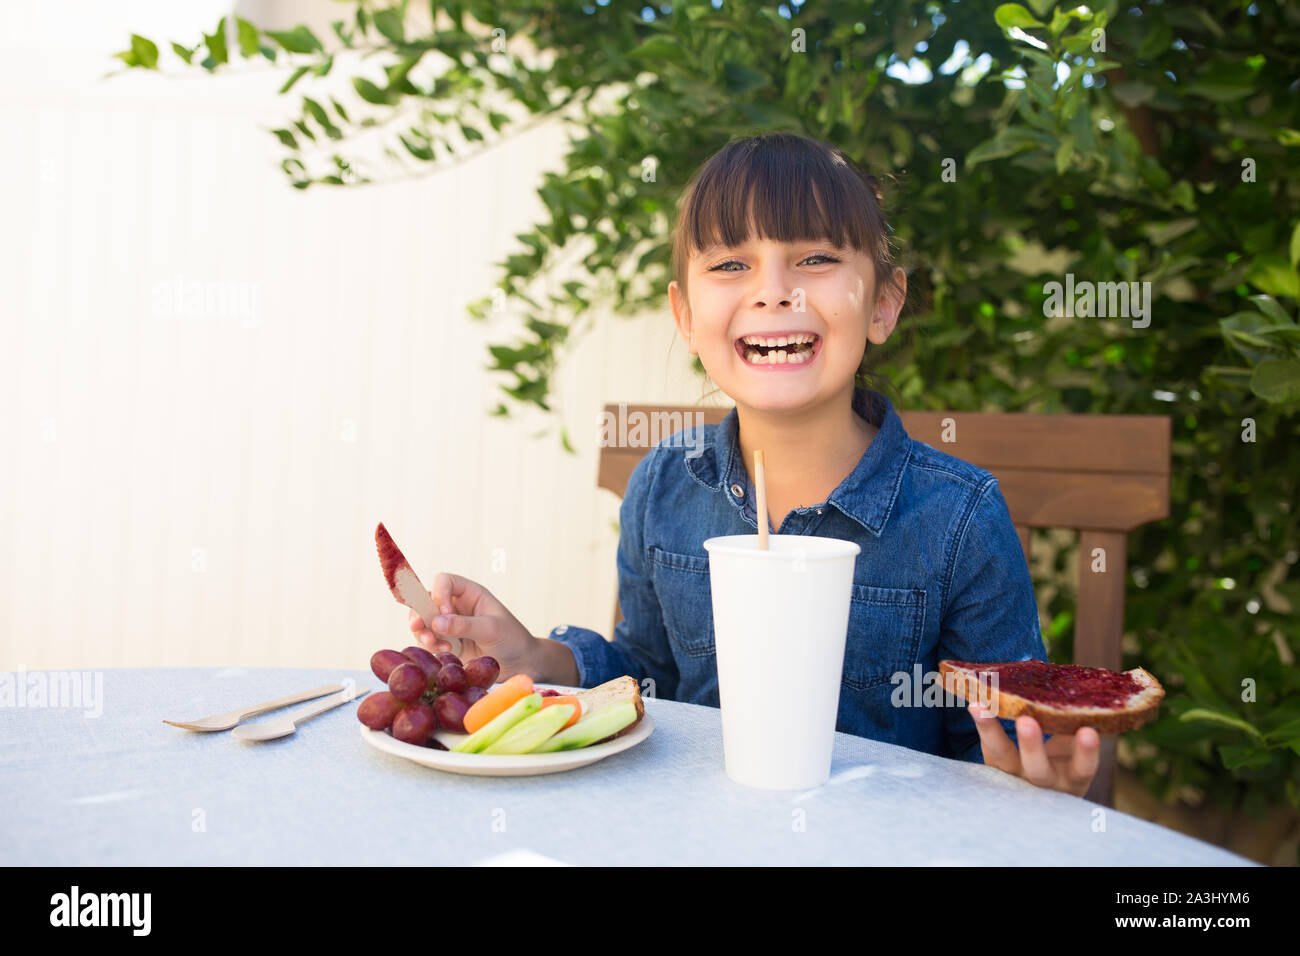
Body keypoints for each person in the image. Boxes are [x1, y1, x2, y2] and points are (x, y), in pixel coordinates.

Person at [412, 131, 1099, 797]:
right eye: (731, 265)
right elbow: (647, 676)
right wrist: (538, 657)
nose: (776, 293)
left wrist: (1032, 772)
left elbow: (996, 736)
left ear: (884, 305)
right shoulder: (663, 484)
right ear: (685, 316)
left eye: (817, 260)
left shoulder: (958, 517)